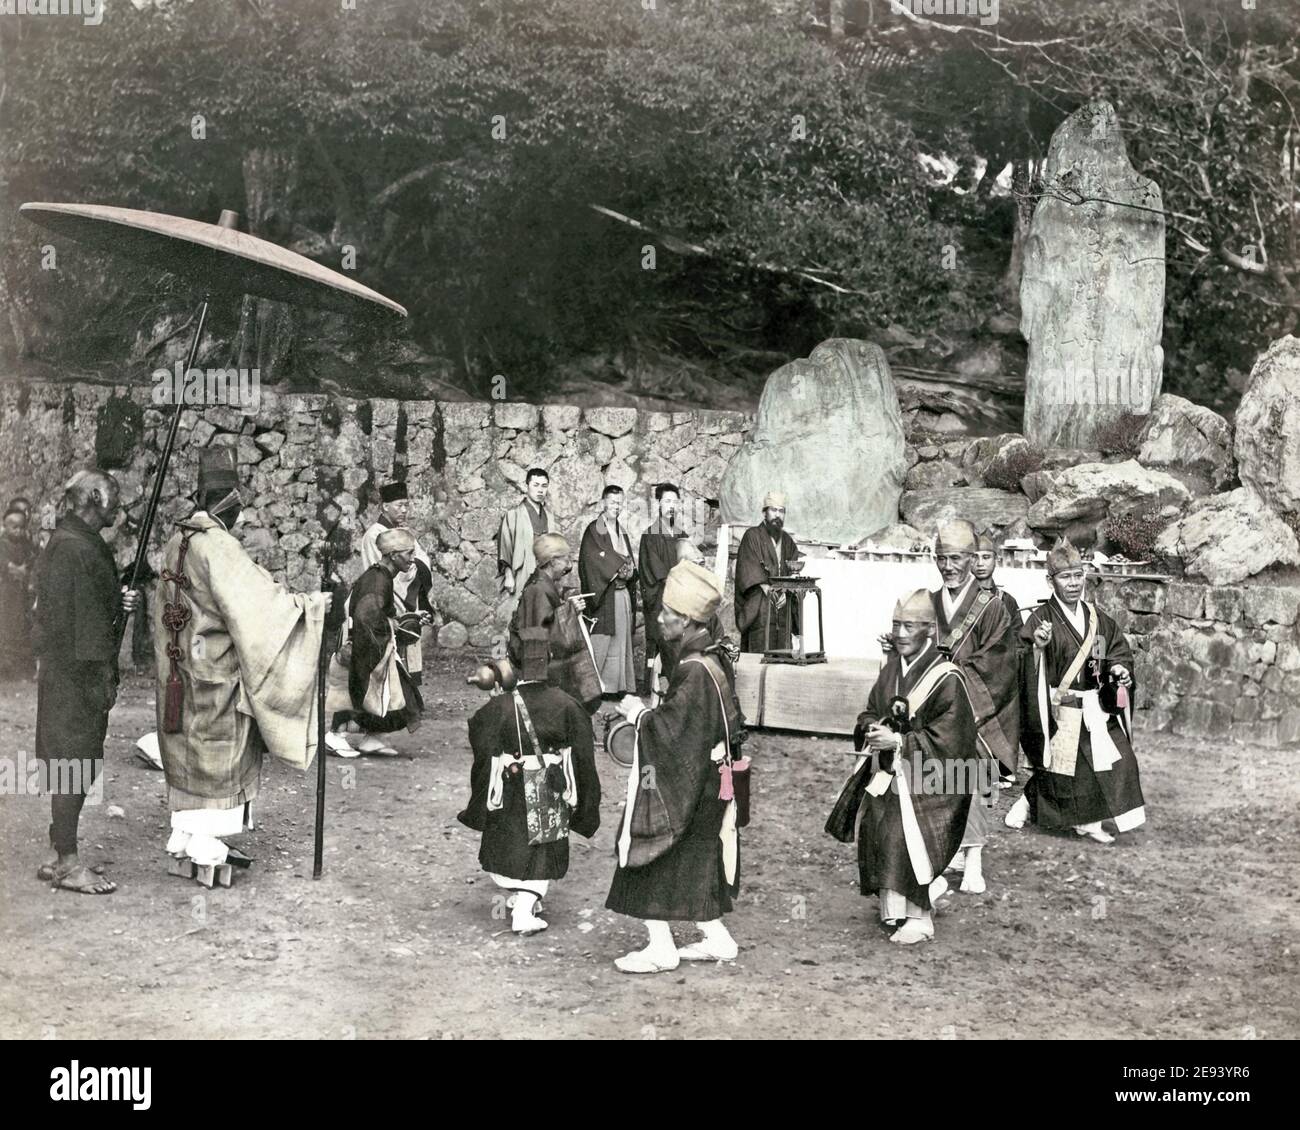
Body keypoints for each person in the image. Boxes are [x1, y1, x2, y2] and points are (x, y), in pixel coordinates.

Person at [153, 447, 332, 874]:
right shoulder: (218, 545)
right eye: (238, 509)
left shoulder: (178, 539)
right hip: (215, 671)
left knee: (188, 747)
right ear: (228, 502)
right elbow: (258, 606)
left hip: (178, 670)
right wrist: (312, 607)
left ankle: (185, 832)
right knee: (219, 750)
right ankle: (205, 843)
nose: (242, 520)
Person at [606, 560, 747, 973]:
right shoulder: (709, 660)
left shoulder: (695, 670)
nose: (660, 617)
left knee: (649, 848)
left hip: (691, 784)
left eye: (667, 612)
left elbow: (672, 733)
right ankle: (718, 939)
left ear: (686, 620)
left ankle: (660, 947)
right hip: (712, 783)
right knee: (697, 859)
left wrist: (639, 717)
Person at [826, 589, 978, 945]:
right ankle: (896, 910)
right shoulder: (893, 668)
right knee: (879, 829)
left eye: (910, 626)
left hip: (931, 778)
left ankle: (921, 917)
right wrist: (872, 728)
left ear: (928, 630)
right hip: (890, 772)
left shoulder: (946, 676)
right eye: (896, 625)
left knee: (906, 836)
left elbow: (953, 737)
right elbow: (870, 709)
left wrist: (901, 743)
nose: (901, 633)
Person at [33, 469, 140, 894]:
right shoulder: (74, 548)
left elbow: (90, 604)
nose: (120, 505)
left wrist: (119, 600)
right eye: (113, 496)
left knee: (74, 760)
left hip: (69, 672)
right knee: (74, 760)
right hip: (75, 675)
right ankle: (67, 862)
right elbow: (80, 627)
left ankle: (61, 851)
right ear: (95, 497)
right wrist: (102, 676)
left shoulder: (74, 543)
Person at [458, 631, 600, 936]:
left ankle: (523, 899)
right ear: (548, 662)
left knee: (511, 840)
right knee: (542, 846)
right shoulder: (567, 704)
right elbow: (583, 752)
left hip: (510, 782)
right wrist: (584, 800)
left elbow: (479, 733)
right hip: (548, 784)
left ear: (514, 665)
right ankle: (524, 911)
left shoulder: (502, 705)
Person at [1005, 538, 1145, 843]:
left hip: (1095, 705)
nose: (1073, 583)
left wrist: (1118, 669)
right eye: (1065, 577)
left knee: (1120, 760)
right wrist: (1037, 649)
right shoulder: (1041, 619)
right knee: (1065, 776)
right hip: (1060, 708)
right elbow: (1020, 658)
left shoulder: (1098, 619)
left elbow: (1116, 652)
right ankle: (1044, 807)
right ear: (1050, 580)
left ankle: (1078, 817)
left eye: (1078, 575)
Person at [926, 520, 1018, 894]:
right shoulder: (927, 602)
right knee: (933, 781)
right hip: (933, 711)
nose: (948, 566)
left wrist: (953, 677)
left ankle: (974, 860)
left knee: (970, 778)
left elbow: (999, 659)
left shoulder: (991, 607)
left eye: (957, 558)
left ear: (971, 559)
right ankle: (945, 854)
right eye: (942, 558)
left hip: (971, 710)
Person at [327, 527, 427, 757]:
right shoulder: (378, 580)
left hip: (369, 643)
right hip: (365, 647)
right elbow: (366, 617)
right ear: (393, 555)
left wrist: (405, 619)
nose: (413, 559)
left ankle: (372, 738)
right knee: (363, 693)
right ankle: (334, 736)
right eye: (409, 553)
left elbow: (376, 614)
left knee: (396, 695)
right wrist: (392, 626)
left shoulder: (381, 576)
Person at [972, 527, 1026, 789]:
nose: (980, 564)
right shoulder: (958, 600)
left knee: (1006, 715)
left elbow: (1019, 639)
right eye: (974, 557)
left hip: (1001, 677)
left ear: (997, 560)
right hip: (968, 674)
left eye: (986, 557)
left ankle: (1002, 769)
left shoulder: (1007, 601)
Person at [578, 485, 638, 697]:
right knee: (604, 638)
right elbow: (591, 559)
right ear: (603, 502)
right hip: (605, 594)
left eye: (620, 502)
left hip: (621, 594)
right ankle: (597, 686)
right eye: (613, 502)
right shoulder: (595, 529)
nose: (616, 506)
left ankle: (619, 686)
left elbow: (628, 558)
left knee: (621, 639)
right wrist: (619, 568)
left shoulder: (621, 531)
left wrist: (630, 569)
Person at [735, 491, 801, 654]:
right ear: (765, 512)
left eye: (781, 511)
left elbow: (793, 569)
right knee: (759, 652)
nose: (777, 515)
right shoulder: (752, 536)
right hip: (761, 604)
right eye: (773, 510)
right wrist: (771, 591)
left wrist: (785, 593)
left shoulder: (788, 541)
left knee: (783, 655)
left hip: (783, 604)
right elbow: (750, 571)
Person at [637, 483, 686, 694]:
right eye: (667, 501)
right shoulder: (650, 536)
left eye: (675, 502)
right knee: (659, 643)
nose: (671, 506)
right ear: (658, 504)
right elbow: (654, 571)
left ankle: (677, 690)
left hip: (680, 600)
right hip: (661, 600)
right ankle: (656, 690)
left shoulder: (682, 535)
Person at [497, 467, 553, 599]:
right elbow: (505, 547)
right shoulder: (513, 515)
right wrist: (508, 575)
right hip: (523, 570)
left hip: (545, 572)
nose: (540, 490)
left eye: (544, 486)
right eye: (536, 485)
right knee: (523, 611)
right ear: (527, 485)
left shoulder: (550, 517)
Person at [0, 505, 36, 680]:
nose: (19, 531)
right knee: (8, 628)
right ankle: (7, 668)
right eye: (15, 527)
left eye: (22, 528)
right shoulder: (2, 544)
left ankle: (22, 667)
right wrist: (15, 569)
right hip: (7, 593)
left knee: (23, 627)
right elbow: (6, 566)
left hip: (22, 593)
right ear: (5, 527)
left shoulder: (25, 544)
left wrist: (26, 568)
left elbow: (31, 559)